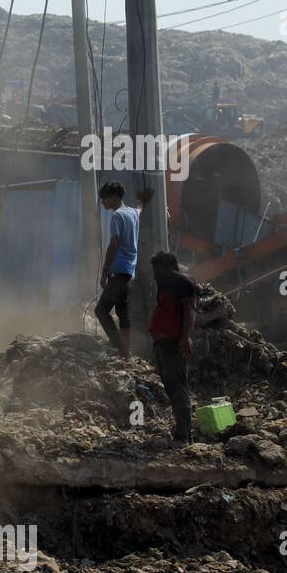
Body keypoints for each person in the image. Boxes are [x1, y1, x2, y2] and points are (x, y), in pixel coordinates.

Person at [149, 252, 199, 444]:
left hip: (174, 343)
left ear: (168, 267)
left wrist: (185, 338)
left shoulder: (183, 283)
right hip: (163, 343)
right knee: (172, 387)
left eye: (157, 269)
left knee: (178, 389)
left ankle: (182, 436)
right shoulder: (166, 285)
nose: (155, 274)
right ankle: (184, 432)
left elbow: (190, 310)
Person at [95, 181, 140, 358]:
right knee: (123, 310)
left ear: (113, 197)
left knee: (101, 310)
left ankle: (120, 347)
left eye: (104, 199)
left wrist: (105, 271)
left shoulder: (117, 216)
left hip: (118, 269)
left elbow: (113, 244)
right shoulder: (133, 213)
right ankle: (124, 351)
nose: (102, 202)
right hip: (130, 270)